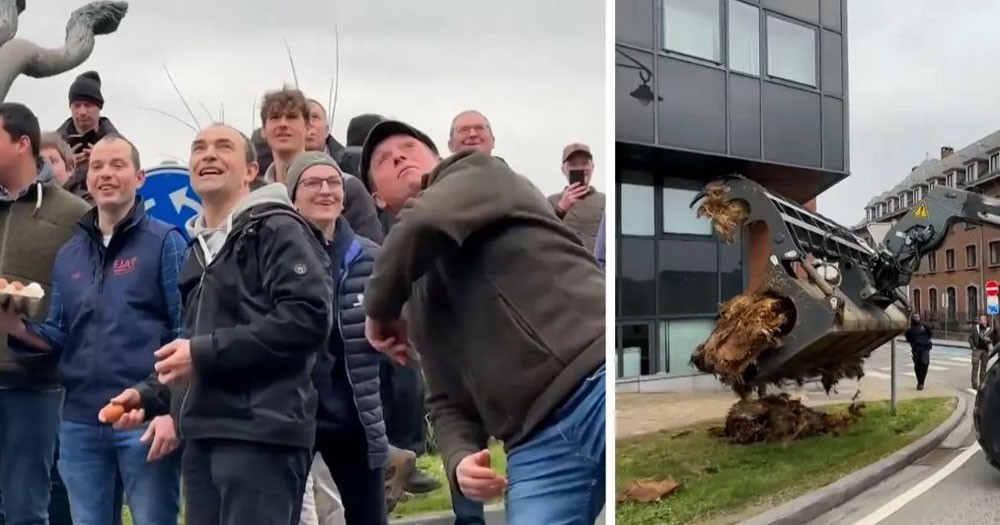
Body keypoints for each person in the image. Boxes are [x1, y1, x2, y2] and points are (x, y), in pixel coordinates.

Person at [359, 120, 606, 523]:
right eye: (385, 160)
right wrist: (458, 462)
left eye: (408, 147)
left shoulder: (477, 172)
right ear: (376, 196)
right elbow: (444, 399)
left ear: (438, 159)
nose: (399, 157)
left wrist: (379, 313)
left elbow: (422, 223)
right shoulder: (413, 289)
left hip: (593, 381)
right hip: (533, 440)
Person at [109, 123, 334, 525]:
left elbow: (307, 319)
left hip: (262, 436)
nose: (207, 154)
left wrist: (201, 352)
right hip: (204, 437)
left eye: (223, 146)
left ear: (251, 169)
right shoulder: (197, 249)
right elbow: (196, 346)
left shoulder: (279, 228)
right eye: (198, 148)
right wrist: (149, 396)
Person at [1, 134, 184, 525]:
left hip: (145, 417)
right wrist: (14, 325)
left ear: (139, 178)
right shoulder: (70, 253)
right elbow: (60, 335)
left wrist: (171, 409)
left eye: (117, 165)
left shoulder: (165, 242)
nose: (106, 174)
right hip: (82, 420)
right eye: (98, 166)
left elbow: (183, 330)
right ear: (88, 179)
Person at [286, 151, 391, 525]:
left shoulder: (372, 257)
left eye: (333, 183)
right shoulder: (276, 256)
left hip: (355, 416)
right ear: (293, 196)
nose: (326, 191)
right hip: (294, 415)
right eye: (313, 183)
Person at [0, 102, 90, 525]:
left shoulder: (72, 214)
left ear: (22, 144)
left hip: (32, 381)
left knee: (25, 509)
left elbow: (88, 293)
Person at [304, 98, 384, 243]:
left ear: (327, 130)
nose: (308, 124)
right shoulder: (271, 176)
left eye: (314, 117)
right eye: (302, 117)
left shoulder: (353, 171)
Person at [56, 71, 121, 192]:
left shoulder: (119, 145)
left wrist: (102, 162)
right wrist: (69, 169)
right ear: (70, 107)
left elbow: (128, 182)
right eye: (77, 105)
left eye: (88, 105)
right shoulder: (53, 146)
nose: (82, 112)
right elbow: (43, 188)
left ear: (99, 107)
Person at [547, 143, 605, 253]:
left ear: (592, 167)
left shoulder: (606, 202)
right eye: (573, 164)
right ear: (563, 169)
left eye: (584, 163)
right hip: (565, 266)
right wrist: (560, 210)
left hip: (596, 267)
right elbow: (542, 237)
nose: (580, 168)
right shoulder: (551, 202)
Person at [904, 313, 933, 390]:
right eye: (915, 317)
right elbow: (908, 338)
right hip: (916, 348)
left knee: (924, 363)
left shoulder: (925, 327)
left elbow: (930, 334)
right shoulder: (910, 330)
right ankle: (919, 381)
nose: (917, 318)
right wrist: (914, 343)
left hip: (925, 347)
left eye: (918, 316)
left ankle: (922, 382)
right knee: (917, 365)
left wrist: (926, 341)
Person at [970, 314, 997, 390]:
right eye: (980, 319)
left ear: (986, 320)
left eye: (982, 320)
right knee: (975, 367)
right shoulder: (975, 328)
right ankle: (974, 384)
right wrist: (973, 347)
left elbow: (994, 339)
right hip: (977, 350)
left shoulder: (990, 330)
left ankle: (982, 383)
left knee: (983, 367)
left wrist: (990, 342)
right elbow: (970, 338)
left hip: (985, 351)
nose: (981, 321)